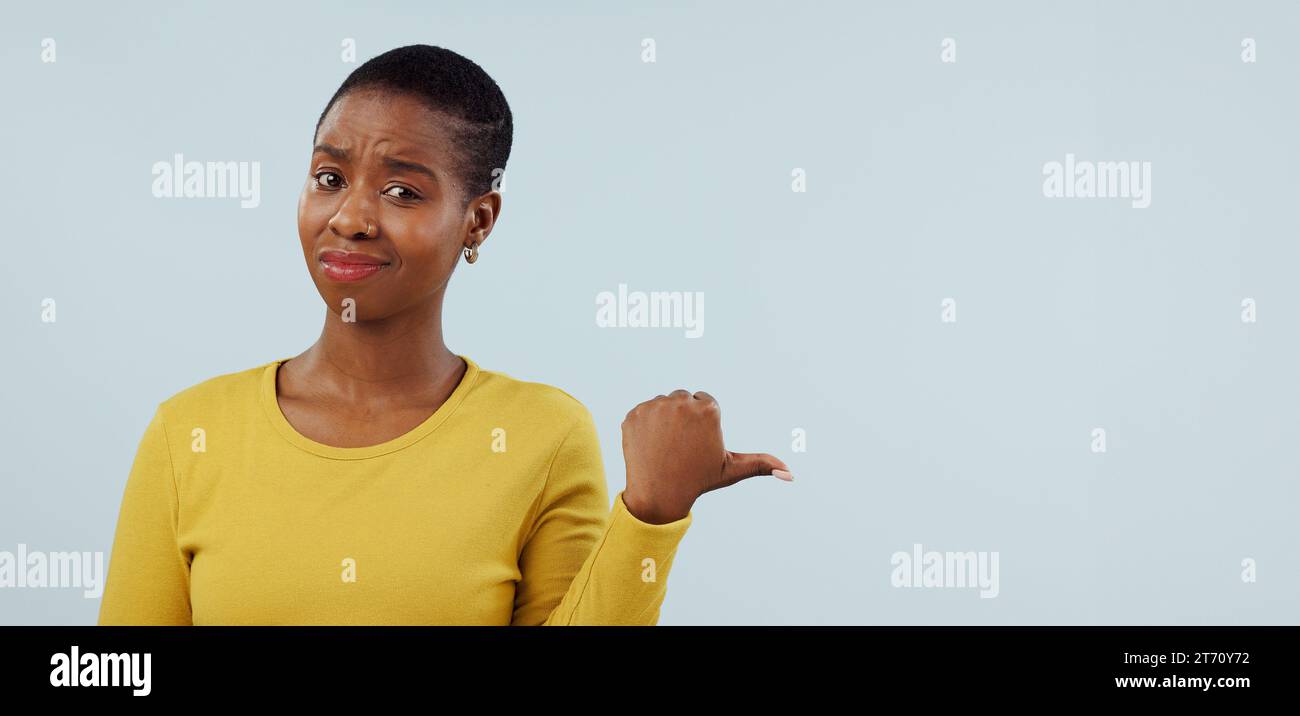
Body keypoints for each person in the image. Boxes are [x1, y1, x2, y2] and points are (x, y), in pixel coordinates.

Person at [98, 44, 793, 625]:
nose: (350, 217)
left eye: (402, 191)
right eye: (329, 177)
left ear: (478, 221)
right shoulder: (189, 433)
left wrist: (652, 514)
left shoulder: (543, 436)